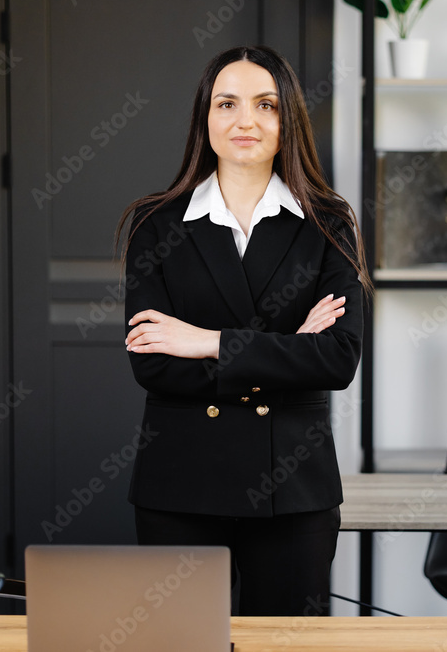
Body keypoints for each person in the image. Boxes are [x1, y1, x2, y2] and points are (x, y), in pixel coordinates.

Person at [113, 45, 372, 617]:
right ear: (205, 118)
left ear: (289, 120)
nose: (245, 120)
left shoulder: (328, 224)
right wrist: (290, 349)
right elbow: (152, 363)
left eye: (266, 104)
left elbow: (337, 360)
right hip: (180, 484)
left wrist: (206, 341)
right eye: (227, 103)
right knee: (179, 643)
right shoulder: (157, 224)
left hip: (294, 487)